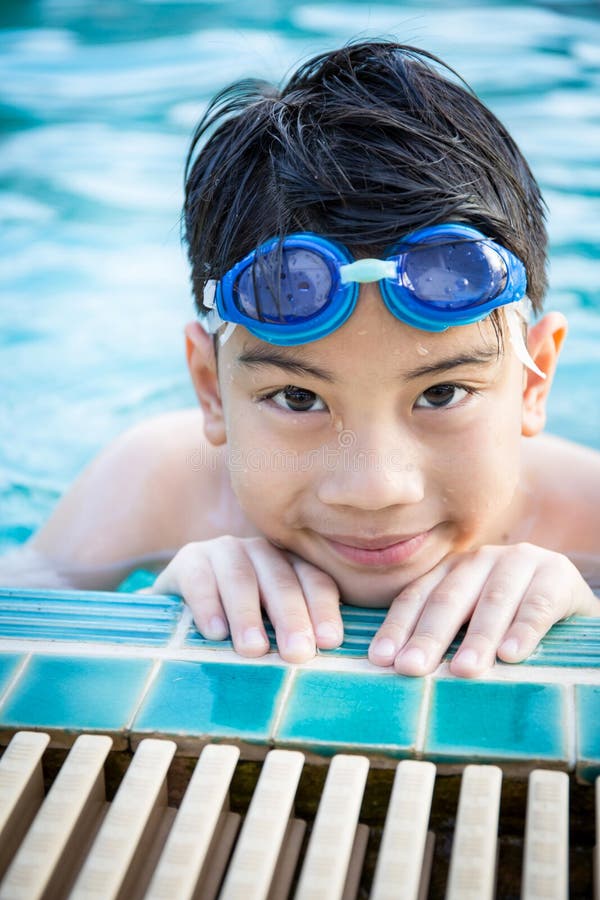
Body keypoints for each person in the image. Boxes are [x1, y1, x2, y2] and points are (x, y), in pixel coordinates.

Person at [2, 40, 599, 679]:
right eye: (298, 397)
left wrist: (584, 610)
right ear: (210, 389)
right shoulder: (156, 485)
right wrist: (154, 616)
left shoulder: (584, 512)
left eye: (443, 392)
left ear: (535, 380)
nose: (374, 489)